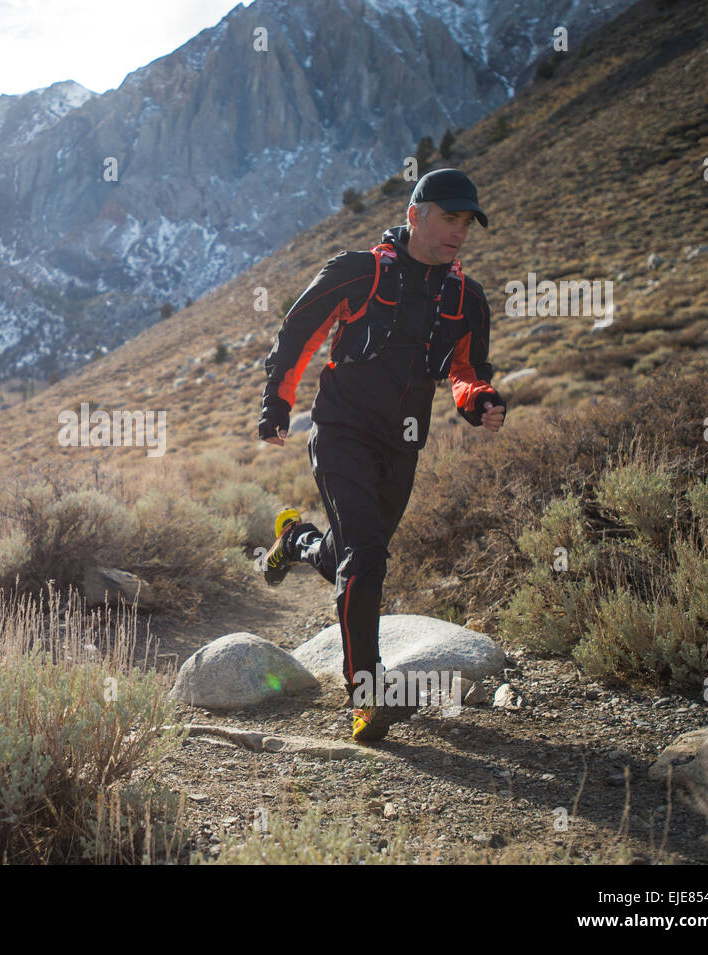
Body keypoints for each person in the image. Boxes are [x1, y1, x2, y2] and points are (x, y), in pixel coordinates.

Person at [256, 168, 507, 742]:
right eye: (450, 218)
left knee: (351, 555)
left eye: (468, 222)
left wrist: (480, 403)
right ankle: (367, 695)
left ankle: (295, 541)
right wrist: (277, 404)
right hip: (341, 431)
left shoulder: (467, 298)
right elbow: (296, 336)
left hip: (404, 444)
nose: (459, 231)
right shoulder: (359, 272)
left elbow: (467, 372)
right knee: (367, 558)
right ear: (416, 214)